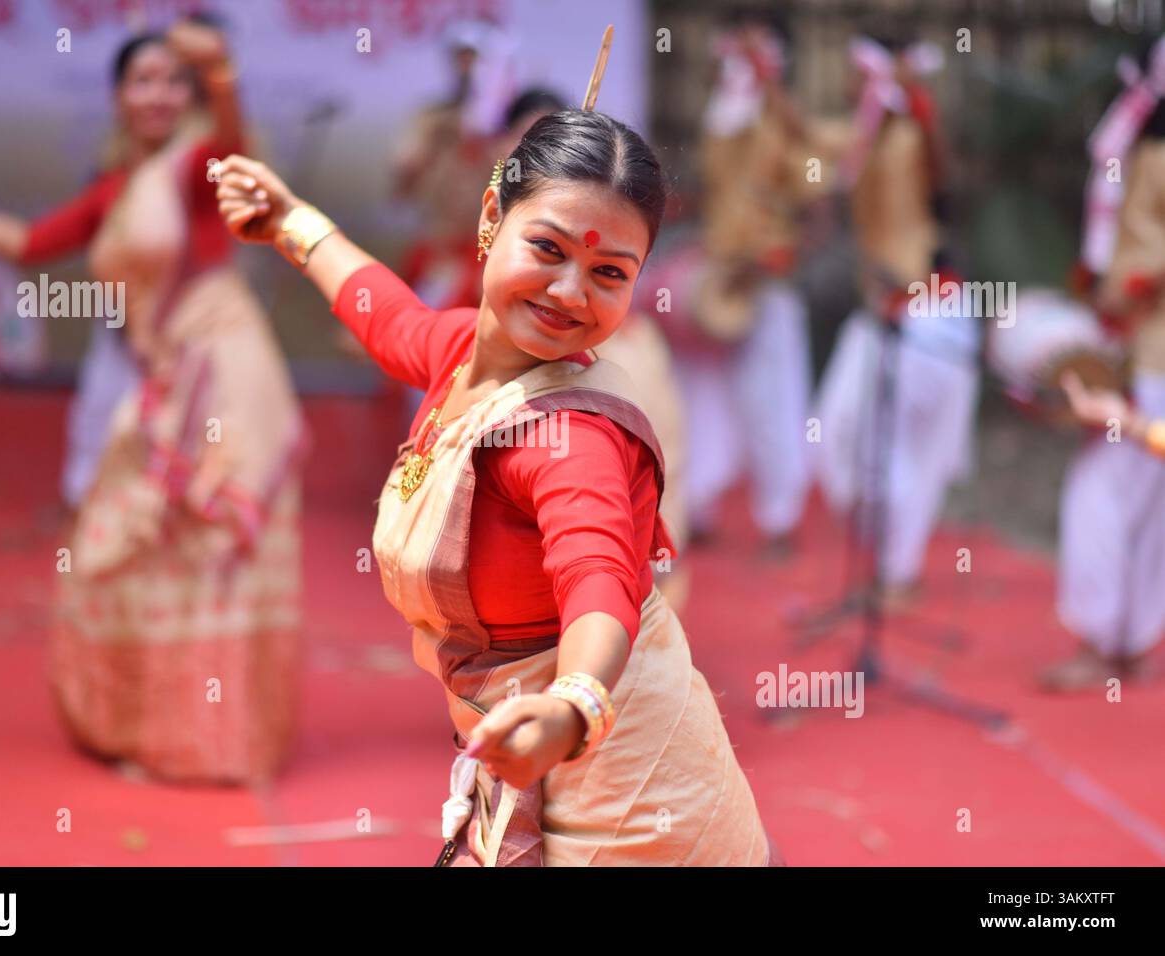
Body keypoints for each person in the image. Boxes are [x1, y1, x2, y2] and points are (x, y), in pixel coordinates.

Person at [215, 107, 773, 865]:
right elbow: (386, 314)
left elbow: (600, 581)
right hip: (535, 745)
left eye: (610, 273)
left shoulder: (569, 437)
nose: (571, 292)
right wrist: (290, 220)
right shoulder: (458, 357)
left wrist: (573, 705)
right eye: (547, 248)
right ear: (491, 217)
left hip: (631, 787)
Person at [0, 19, 305, 783]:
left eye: (171, 80)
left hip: (223, 370)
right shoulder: (116, 190)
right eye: (141, 80)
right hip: (159, 377)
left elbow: (234, 143)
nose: (157, 94)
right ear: (118, 96)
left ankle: (221, 744)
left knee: (205, 547)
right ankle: (148, 728)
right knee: (120, 546)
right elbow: (29, 243)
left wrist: (219, 74)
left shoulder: (198, 167)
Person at [811, 33, 979, 608]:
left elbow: (943, 174)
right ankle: (887, 568)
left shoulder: (914, 135)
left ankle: (897, 576)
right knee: (838, 431)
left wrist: (920, 105)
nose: (851, 84)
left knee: (904, 451)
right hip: (880, 314)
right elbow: (805, 144)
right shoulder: (853, 138)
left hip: (929, 311)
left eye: (860, 74)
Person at [1041, 35, 1165, 691]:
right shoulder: (1141, 148)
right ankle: (1128, 644)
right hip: (1144, 351)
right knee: (1144, 505)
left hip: (1153, 355)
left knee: (1100, 495)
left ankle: (1101, 642)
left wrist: (1123, 291)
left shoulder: (1151, 151)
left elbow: (1144, 260)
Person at [684, 21, 817, 553]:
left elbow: (815, 203)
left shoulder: (784, 130)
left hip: (767, 286)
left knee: (772, 406)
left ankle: (779, 520)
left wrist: (770, 261)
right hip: (716, 285)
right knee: (701, 398)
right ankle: (696, 504)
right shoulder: (718, 121)